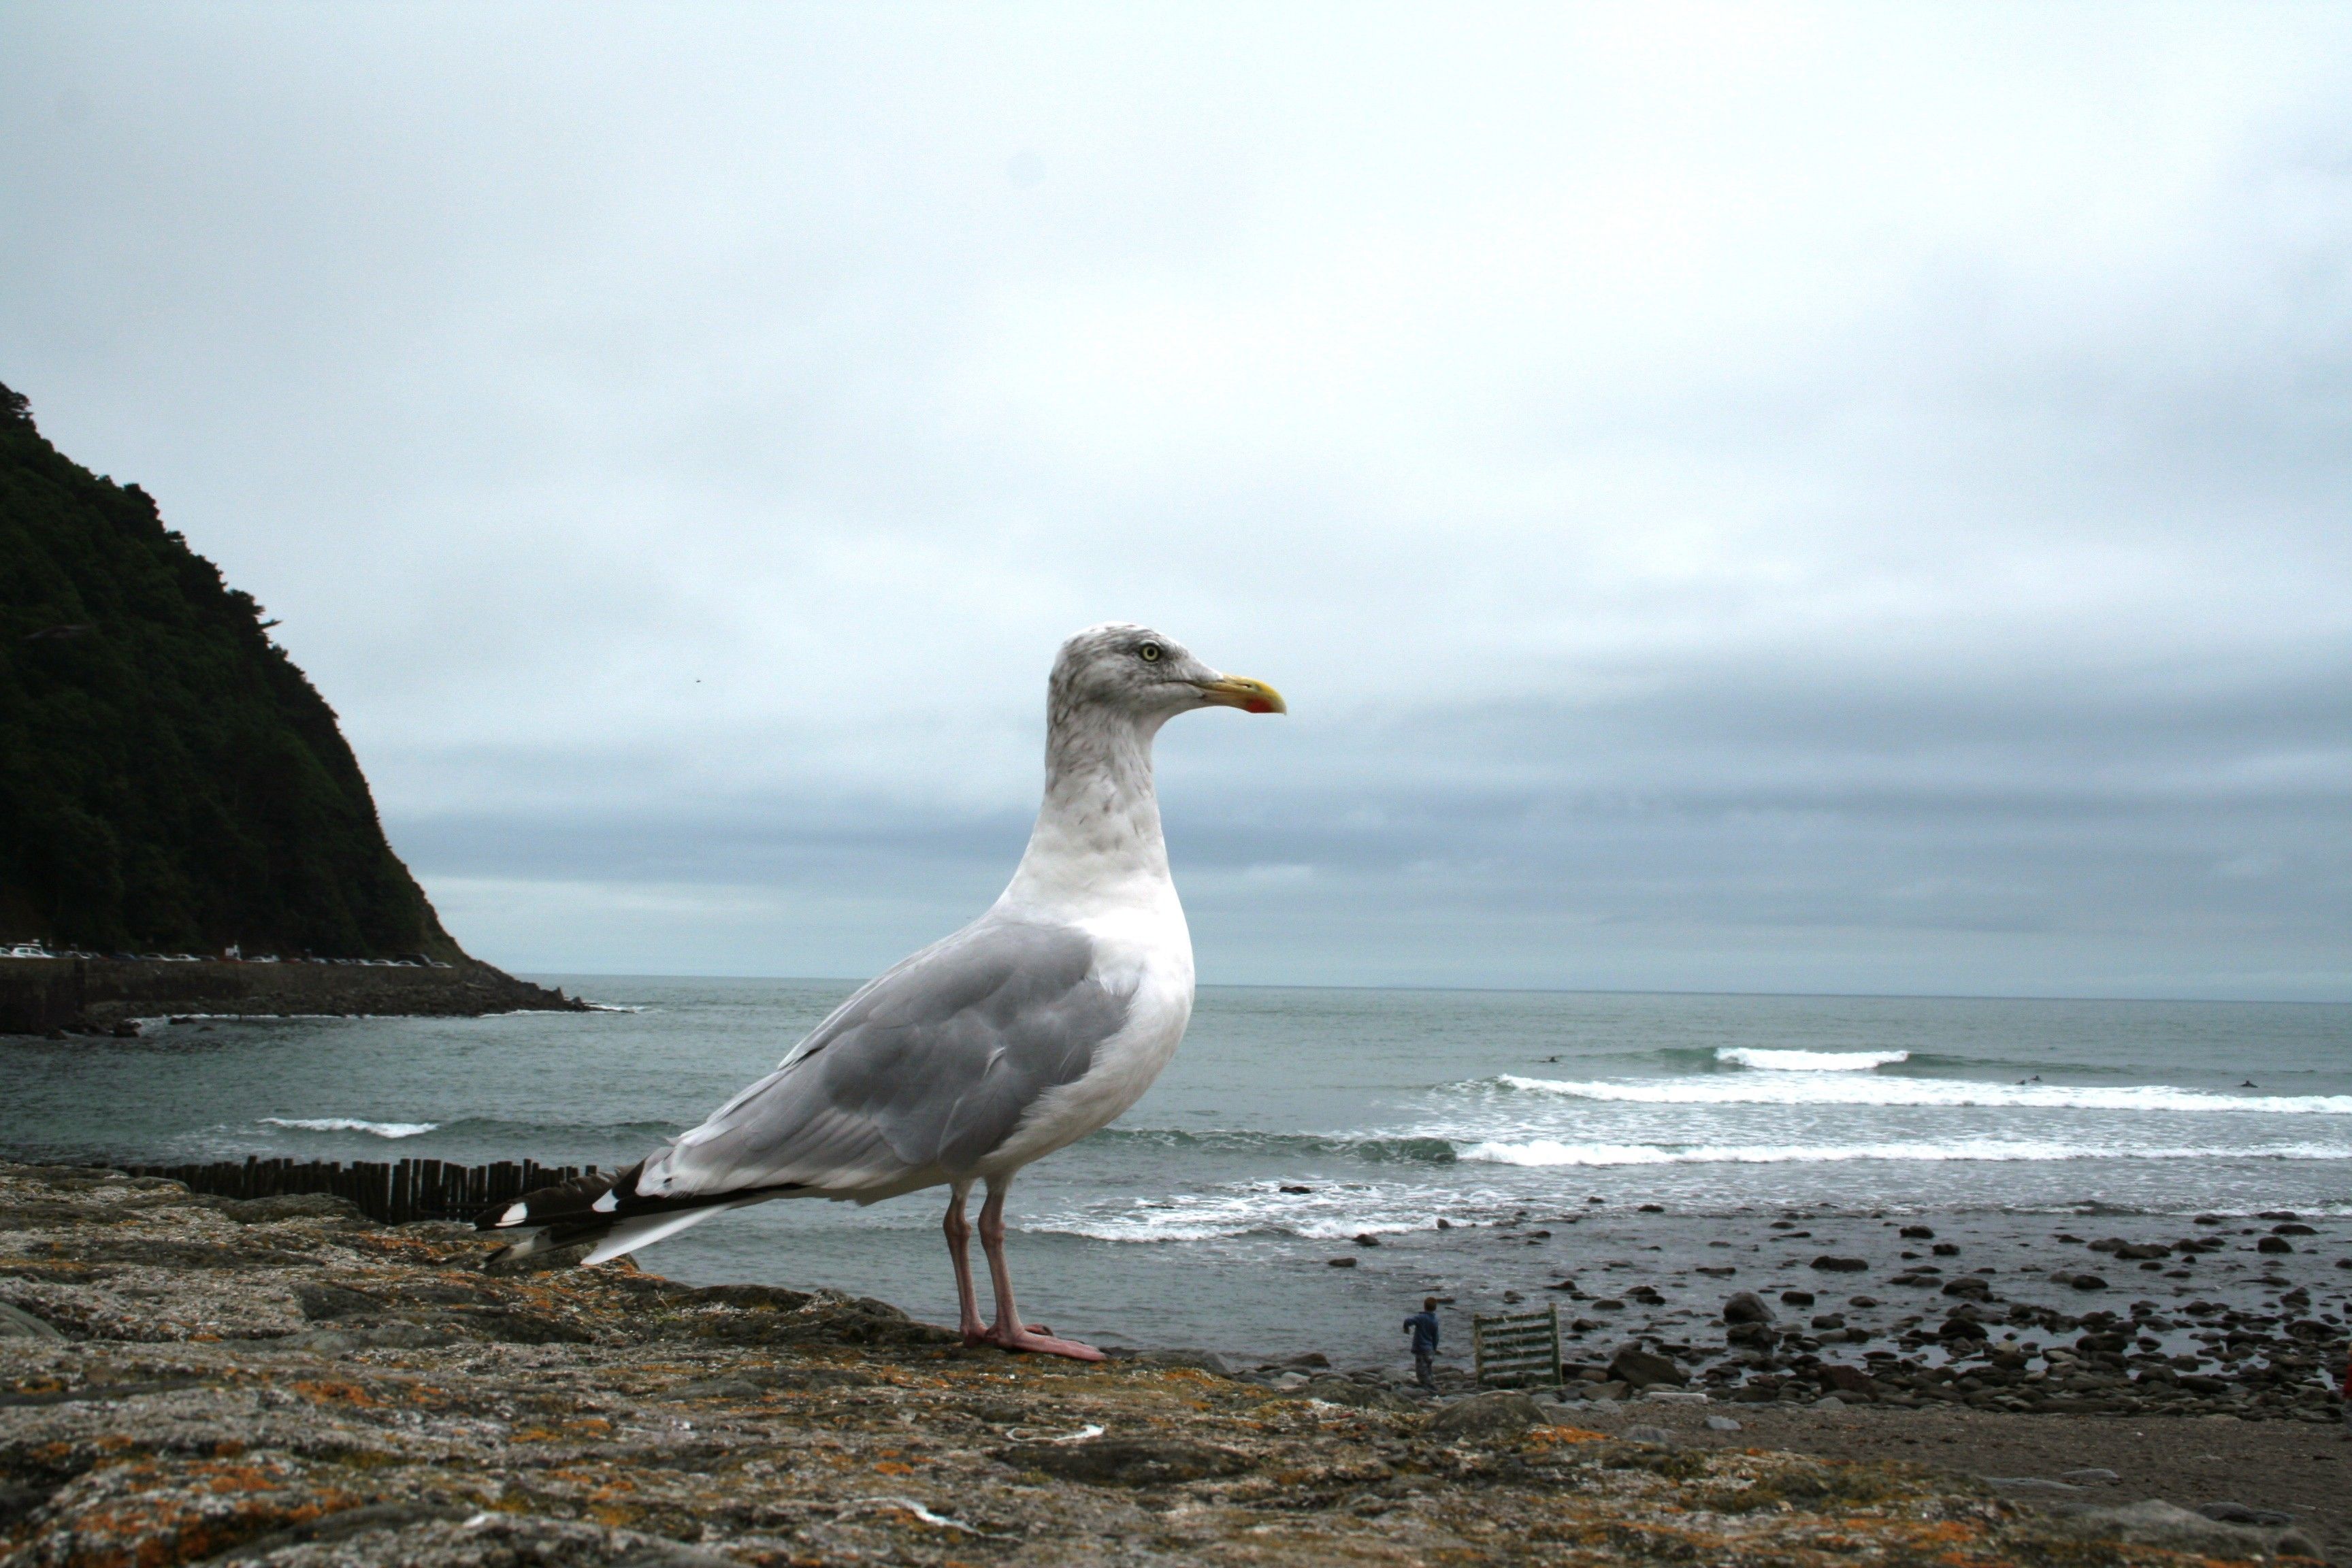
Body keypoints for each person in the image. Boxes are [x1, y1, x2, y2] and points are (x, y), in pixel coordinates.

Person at [1403, 1297, 1441, 1391]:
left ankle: (1430, 1389)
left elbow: (1408, 1321)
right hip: (1430, 1349)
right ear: (1435, 1308)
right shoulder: (1435, 1321)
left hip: (1421, 1349)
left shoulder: (1421, 1318)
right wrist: (1434, 1349)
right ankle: (1431, 1385)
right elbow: (1436, 1337)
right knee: (1428, 1369)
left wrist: (1406, 1328)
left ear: (1424, 1307)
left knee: (1421, 1371)